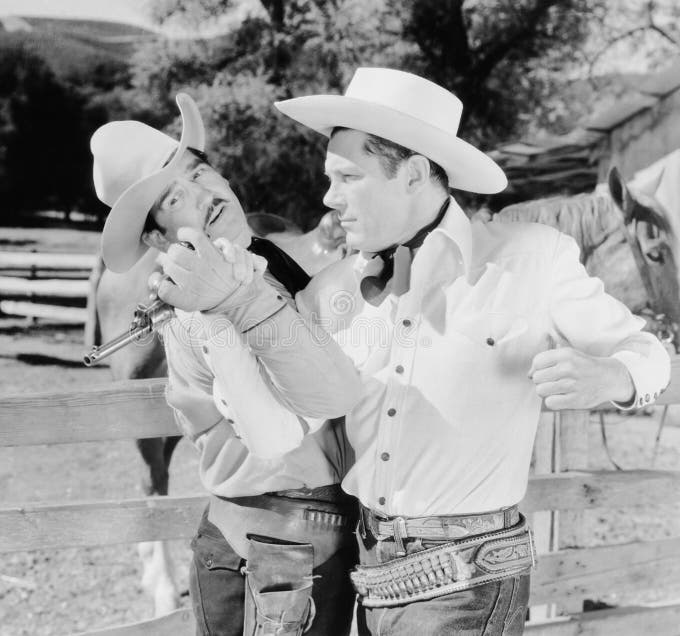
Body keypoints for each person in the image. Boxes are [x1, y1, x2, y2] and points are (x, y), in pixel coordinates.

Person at [265, 67, 672, 635]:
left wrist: (615, 378)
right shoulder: (333, 290)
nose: (329, 198)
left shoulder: (532, 259)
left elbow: (648, 351)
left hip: (470, 587)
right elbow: (280, 414)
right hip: (369, 581)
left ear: (413, 174)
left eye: (348, 177)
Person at [91, 93, 361, 636]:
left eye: (199, 172)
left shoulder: (262, 263)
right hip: (275, 554)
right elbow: (293, 421)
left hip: (297, 544)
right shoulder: (203, 306)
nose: (204, 194)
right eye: (173, 198)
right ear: (156, 237)